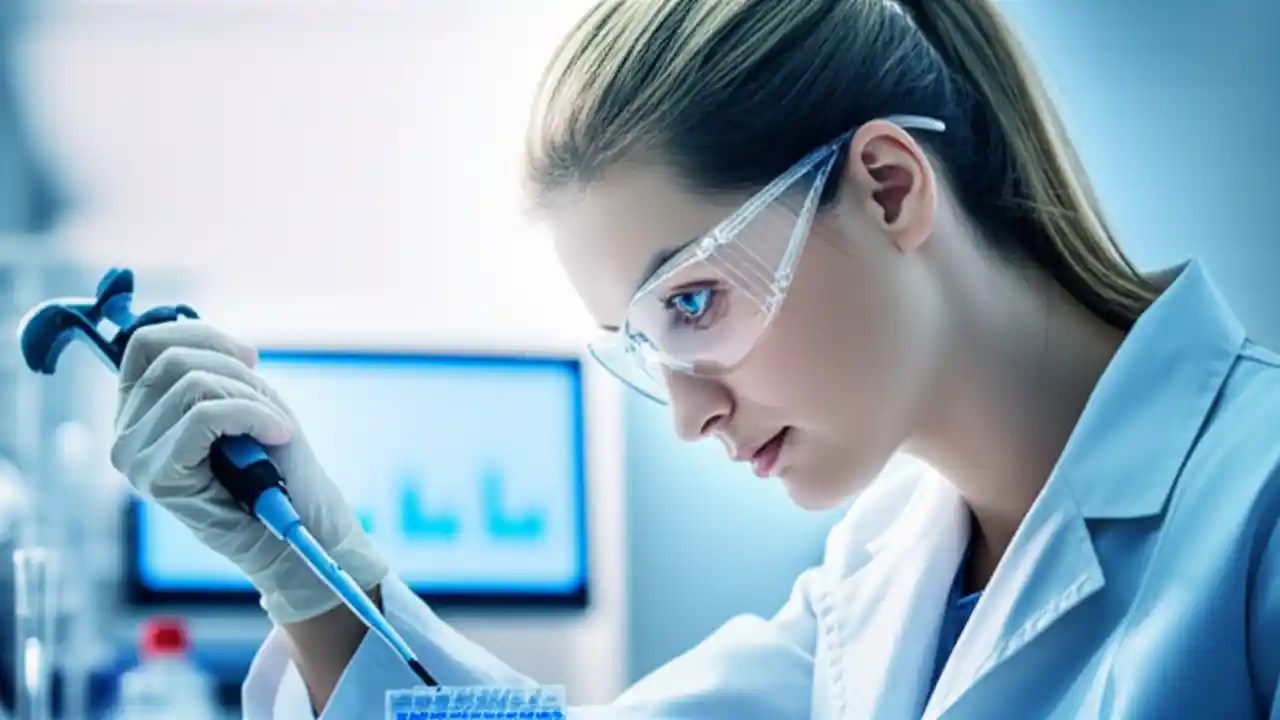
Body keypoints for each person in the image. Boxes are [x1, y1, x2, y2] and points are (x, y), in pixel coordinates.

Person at [108, 0, 1280, 717]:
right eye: (643, 342)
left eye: (696, 301)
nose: (688, 415)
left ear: (886, 188)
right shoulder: (877, 584)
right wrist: (314, 569)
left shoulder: (1257, 511)